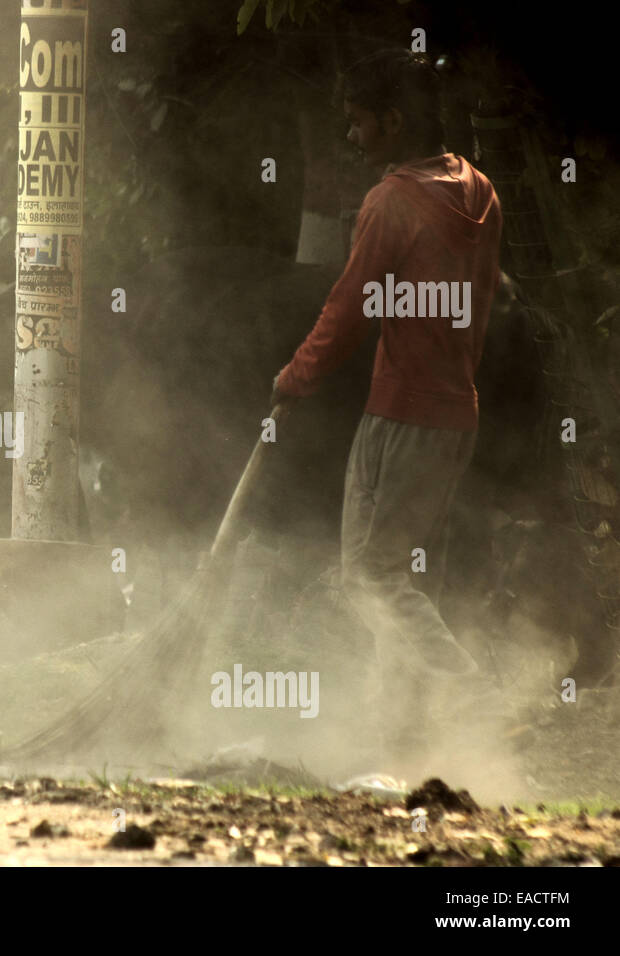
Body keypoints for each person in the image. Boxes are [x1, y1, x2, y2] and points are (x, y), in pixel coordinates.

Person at [270, 51, 502, 769]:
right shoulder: (482, 191)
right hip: (453, 412)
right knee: (404, 580)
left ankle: (468, 689)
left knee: (370, 579)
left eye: (358, 120)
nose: (351, 134)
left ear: (392, 121)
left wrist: (295, 376)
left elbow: (347, 308)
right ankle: (396, 739)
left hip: (399, 413)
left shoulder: (391, 202)